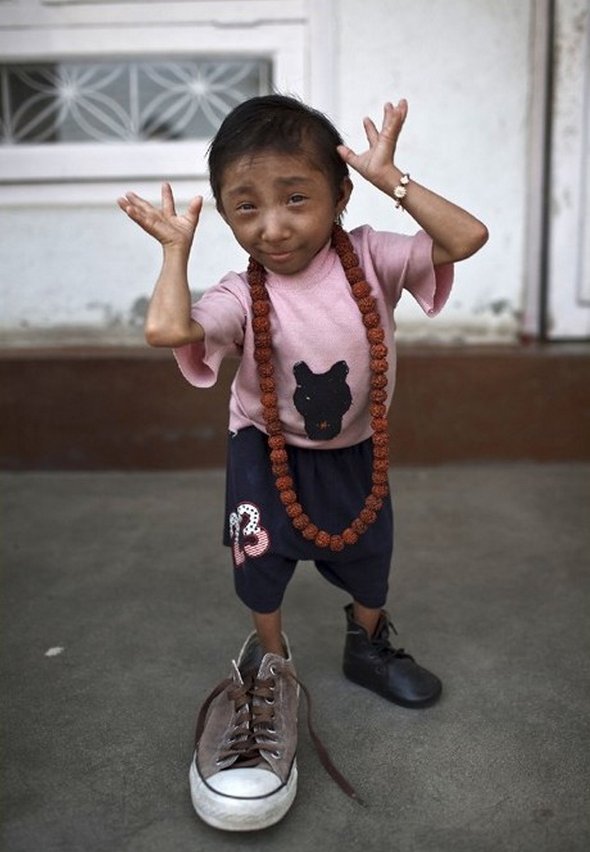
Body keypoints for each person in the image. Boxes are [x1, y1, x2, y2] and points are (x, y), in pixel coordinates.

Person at [118, 94, 488, 831]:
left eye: (295, 197)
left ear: (339, 194)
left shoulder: (375, 254)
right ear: (224, 215)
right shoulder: (238, 293)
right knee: (258, 559)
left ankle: (368, 645)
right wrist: (174, 251)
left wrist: (395, 181)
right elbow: (167, 329)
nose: (273, 225)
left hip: (354, 447)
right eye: (246, 206)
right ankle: (272, 663)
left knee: (370, 551)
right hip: (267, 446)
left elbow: (468, 236)